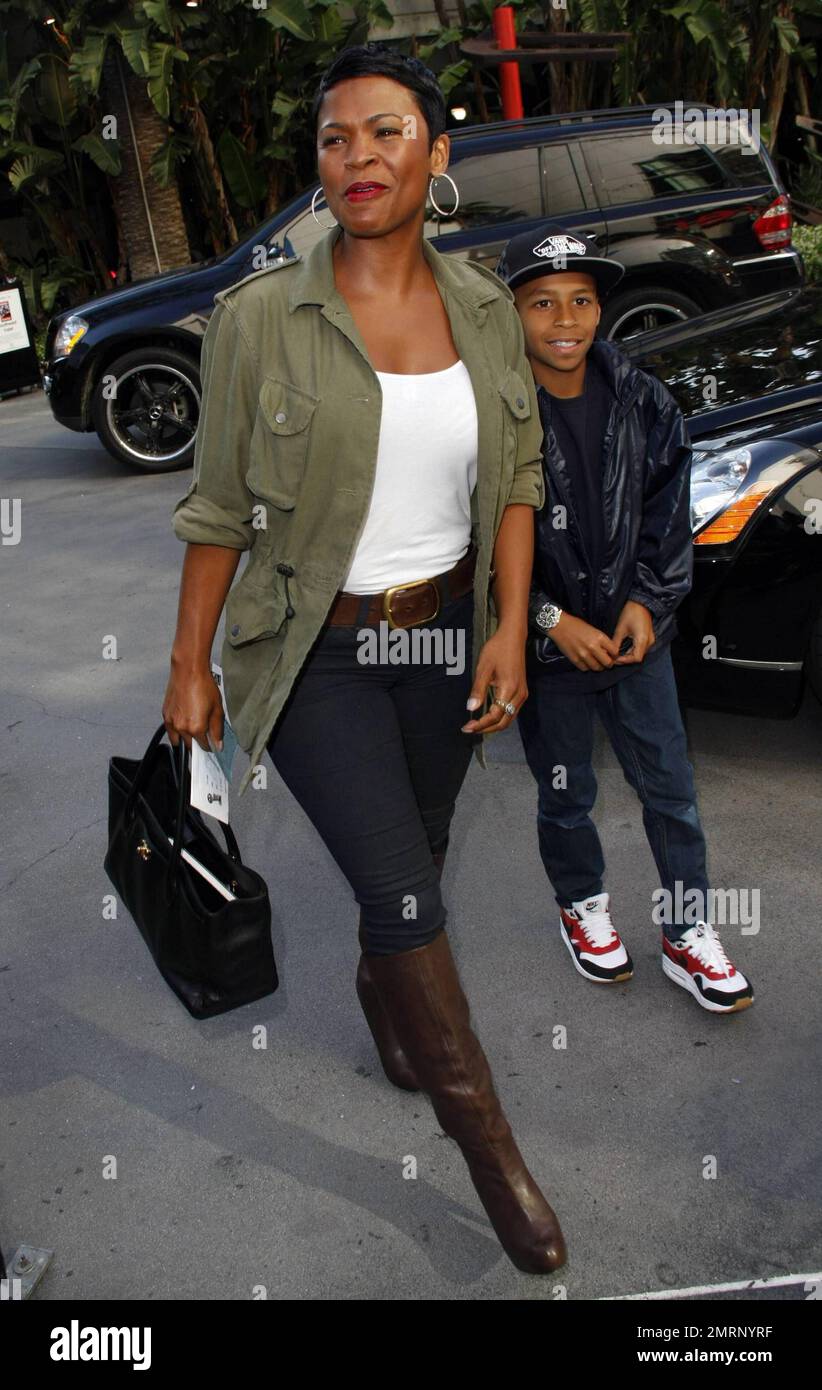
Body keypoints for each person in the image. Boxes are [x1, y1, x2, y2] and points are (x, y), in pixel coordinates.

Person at [163, 44, 567, 1273]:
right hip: (318, 653)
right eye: (336, 140)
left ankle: (389, 1002)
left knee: (421, 862)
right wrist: (188, 669)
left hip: (447, 632)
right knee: (405, 892)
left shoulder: (487, 309)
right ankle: (491, 1149)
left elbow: (516, 481)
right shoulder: (256, 320)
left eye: (384, 133)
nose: (357, 157)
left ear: (434, 156)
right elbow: (218, 506)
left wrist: (507, 627)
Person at [496, 225, 754, 1014]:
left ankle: (687, 932)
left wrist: (649, 601)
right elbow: (482, 541)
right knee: (566, 792)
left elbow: (669, 515)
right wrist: (548, 621)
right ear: (512, 314)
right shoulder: (499, 415)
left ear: (602, 308)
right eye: (542, 303)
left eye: (580, 300)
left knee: (671, 790)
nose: (564, 319)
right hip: (549, 654)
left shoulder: (644, 398)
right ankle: (583, 905)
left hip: (640, 642)